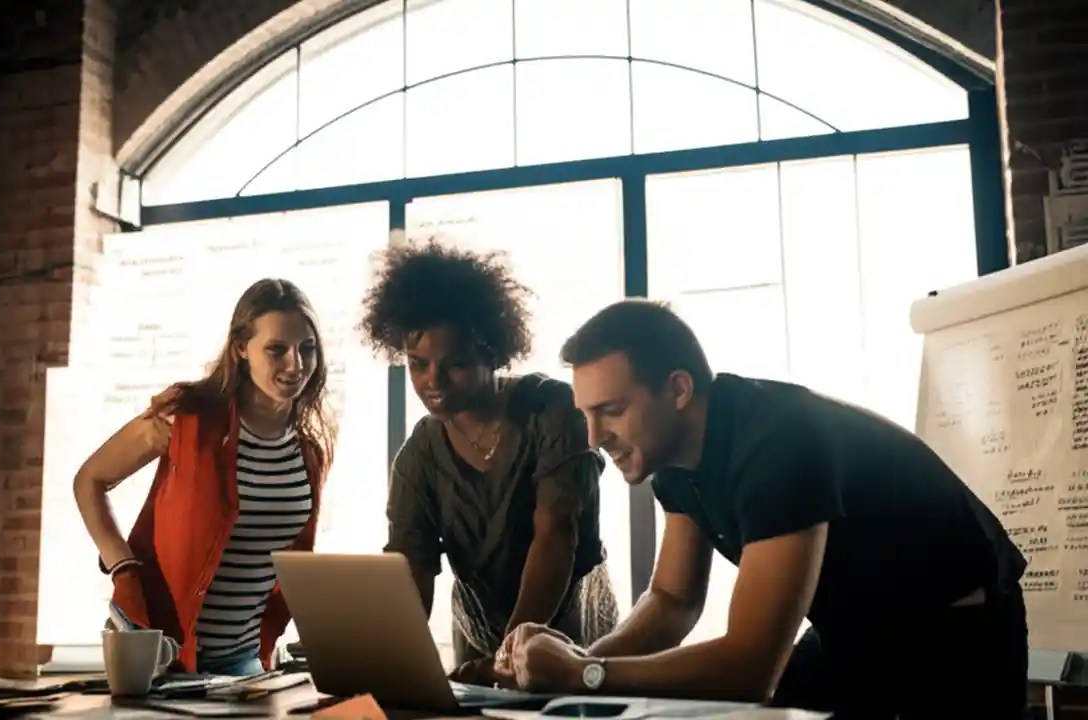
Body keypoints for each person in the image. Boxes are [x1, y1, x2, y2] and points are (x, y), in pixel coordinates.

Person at [496, 298, 1028, 718]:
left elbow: (750, 669)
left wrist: (585, 676)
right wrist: (580, 663)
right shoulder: (675, 461)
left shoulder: (776, 442)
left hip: (955, 628)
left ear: (678, 389)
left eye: (611, 410)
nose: (593, 437)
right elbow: (673, 601)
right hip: (855, 626)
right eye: (587, 414)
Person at [358, 239, 619, 686]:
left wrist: (510, 655)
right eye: (418, 364)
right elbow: (411, 568)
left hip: (571, 629)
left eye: (454, 364)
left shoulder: (555, 411)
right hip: (478, 633)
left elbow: (557, 536)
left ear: (491, 352)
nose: (433, 381)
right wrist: (391, 660)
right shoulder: (418, 455)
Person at [73, 278, 336, 676]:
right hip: (163, 656)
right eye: (277, 349)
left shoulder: (308, 454)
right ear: (241, 348)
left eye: (307, 348)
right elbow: (89, 480)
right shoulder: (187, 418)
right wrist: (122, 568)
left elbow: (290, 564)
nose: (295, 364)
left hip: (245, 661)